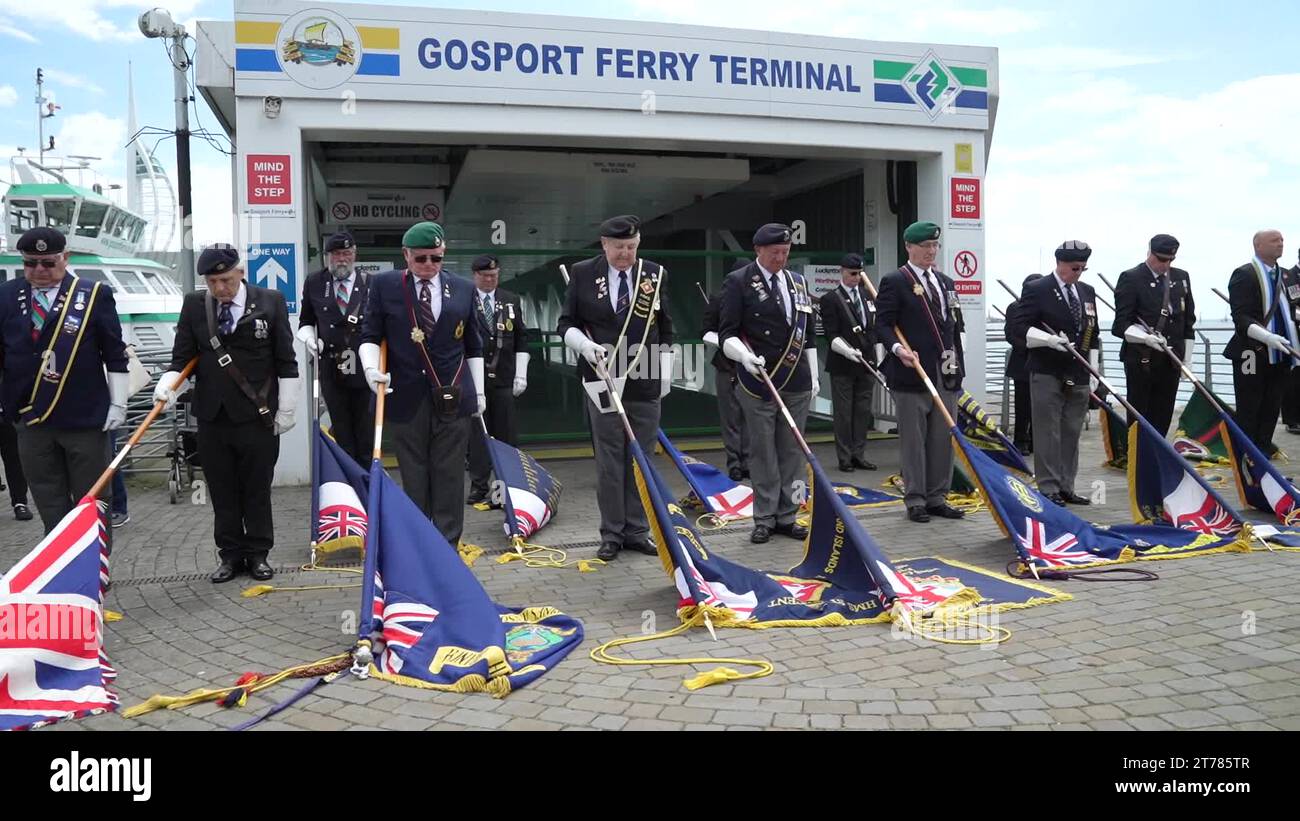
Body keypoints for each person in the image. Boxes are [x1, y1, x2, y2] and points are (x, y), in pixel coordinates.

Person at [155, 245, 299, 583]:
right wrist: (168, 386)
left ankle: (259, 554)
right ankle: (230, 556)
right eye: (213, 281)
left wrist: (287, 409)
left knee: (257, 489)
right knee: (222, 491)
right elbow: (182, 358)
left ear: (241, 271)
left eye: (226, 279)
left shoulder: (270, 301)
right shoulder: (195, 305)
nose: (220, 288)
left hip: (257, 415)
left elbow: (285, 361)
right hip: (213, 416)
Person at [358, 221, 486, 546]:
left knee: (450, 473)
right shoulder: (384, 285)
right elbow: (370, 335)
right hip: (404, 395)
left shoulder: (463, 288)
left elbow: (473, 345)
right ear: (406, 255)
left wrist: (480, 390)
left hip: (453, 396)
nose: (429, 265)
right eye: (421, 259)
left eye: (436, 258)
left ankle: (447, 546)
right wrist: (371, 370)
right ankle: (419, 543)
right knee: (414, 475)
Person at [557, 215, 673, 561]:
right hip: (602, 376)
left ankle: (637, 530)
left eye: (632, 247)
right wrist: (583, 346)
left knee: (642, 458)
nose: (626, 254)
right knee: (609, 460)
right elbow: (566, 323)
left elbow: (666, 327)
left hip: (645, 373)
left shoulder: (655, 273)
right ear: (604, 244)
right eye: (619, 247)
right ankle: (612, 532)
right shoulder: (582, 273)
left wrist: (665, 370)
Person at [0, 227, 129, 533]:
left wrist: (119, 404)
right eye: (30, 262)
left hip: (84, 417)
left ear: (65, 258)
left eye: (48, 262)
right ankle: (58, 568)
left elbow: (114, 353)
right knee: (49, 499)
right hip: (30, 418)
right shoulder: (5, 295)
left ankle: (94, 573)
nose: (39, 270)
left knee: (92, 499)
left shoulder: (93, 295)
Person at [718, 223, 818, 544]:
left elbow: (810, 336)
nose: (780, 258)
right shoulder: (739, 281)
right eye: (774, 252)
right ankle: (764, 517)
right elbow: (727, 333)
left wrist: (814, 376)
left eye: (785, 253)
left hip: (797, 380)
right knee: (763, 453)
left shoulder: (799, 283)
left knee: (793, 453)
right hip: (758, 382)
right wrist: (744, 357)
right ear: (758, 251)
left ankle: (790, 514)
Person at [874, 221, 965, 523]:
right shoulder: (895, 281)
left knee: (942, 438)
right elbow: (883, 325)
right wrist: (897, 350)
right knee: (914, 440)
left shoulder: (946, 282)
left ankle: (938, 496)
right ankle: (915, 499)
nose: (930, 251)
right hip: (911, 373)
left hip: (946, 373)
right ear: (909, 247)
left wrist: (959, 369)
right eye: (925, 246)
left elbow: (955, 325)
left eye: (934, 246)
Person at [1009, 240, 1101, 506]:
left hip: (1079, 370)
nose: (1078, 273)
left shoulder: (1086, 291)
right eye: (1074, 268)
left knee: (1071, 431)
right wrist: (1046, 340)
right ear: (1060, 263)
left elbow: (1092, 332)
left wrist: (1092, 368)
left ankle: (1066, 486)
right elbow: (1019, 327)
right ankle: (1048, 486)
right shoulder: (1038, 289)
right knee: (1048, 431)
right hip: (1047, 369)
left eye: (1083, 268)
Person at [297, 231, 373, 466]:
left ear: (354, 255)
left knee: (365, 429)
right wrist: (309, 339)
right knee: (340, 427)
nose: (342, 259)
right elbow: (305, 321)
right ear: (327, 256)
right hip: (330, 365)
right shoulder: (315, 282)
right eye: (337, 254)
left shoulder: (371, 283)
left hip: (362, 366)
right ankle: (347, 481)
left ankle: (367, 482)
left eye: (347, 253)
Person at [1111, 233, 1196, 437]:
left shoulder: (1181, 277)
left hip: (1171, 359)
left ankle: (1158, 456)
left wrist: (1187, 359)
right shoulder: (1131, 278)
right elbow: (1121, 325)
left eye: (1170, 260)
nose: (1165, 265)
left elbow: (1187, 321)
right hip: (1142, 360)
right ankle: (1139, 460)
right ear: (1149, 252)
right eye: (1161, 259)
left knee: (1164, 413)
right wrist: (1145, 338)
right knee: (1140, 415)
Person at [1223, 229, 1297, 453]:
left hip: (1281, 352)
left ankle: (1263, 452)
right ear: (1258, 246)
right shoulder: (1244, 274)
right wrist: (1267, 337)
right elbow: (1241, 318)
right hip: (1251, 352)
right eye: (1275, 240)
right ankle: (1245, 456)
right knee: (1249, 408)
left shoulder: (1285, 276)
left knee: (1271, 408)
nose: (1281, 244)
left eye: (1282, 240)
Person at [466, 254, 530, 505]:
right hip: (476, 380)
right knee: (478, 434)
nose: (490, 280)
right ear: (475, 276)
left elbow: (521, 339)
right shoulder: (466, 300)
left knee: (506, 434)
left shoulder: (510, 300)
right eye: (485, 276)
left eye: (494, 275)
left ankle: (509, 483)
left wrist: (521, 373)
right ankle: (479, 485)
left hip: (503, 377)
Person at [819, 252, 878, 472]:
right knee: (844, 412)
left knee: (862, 411)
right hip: (843, 363)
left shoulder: (868, 296)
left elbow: (874, 328)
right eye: (853, 273)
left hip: (866, 363)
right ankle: (844, 457)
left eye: (860, 274)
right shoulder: (830, 299)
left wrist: (872, 351)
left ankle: (858, 454)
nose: (856, 278)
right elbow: (831, 334)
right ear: (842, 272)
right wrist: (848, 351)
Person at [700, 260, 750, 481]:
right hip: (727, 365)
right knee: (731, 417)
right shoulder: (719, 300)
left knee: (750, 415)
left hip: (751, 365)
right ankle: (735, 464)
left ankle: (749, 460)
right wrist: (727, 343)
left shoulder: (756, 300)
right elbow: (706, 332)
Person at [1004, 273, 1043, 454]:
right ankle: (1021, 440)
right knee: (1023, 405)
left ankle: (1037, 440)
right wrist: (1030, 346)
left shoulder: (1045, 309)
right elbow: (1011, 335)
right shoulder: (1015, 308)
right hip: (1022, 363)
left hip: (1042, 364)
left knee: (1041, 404)